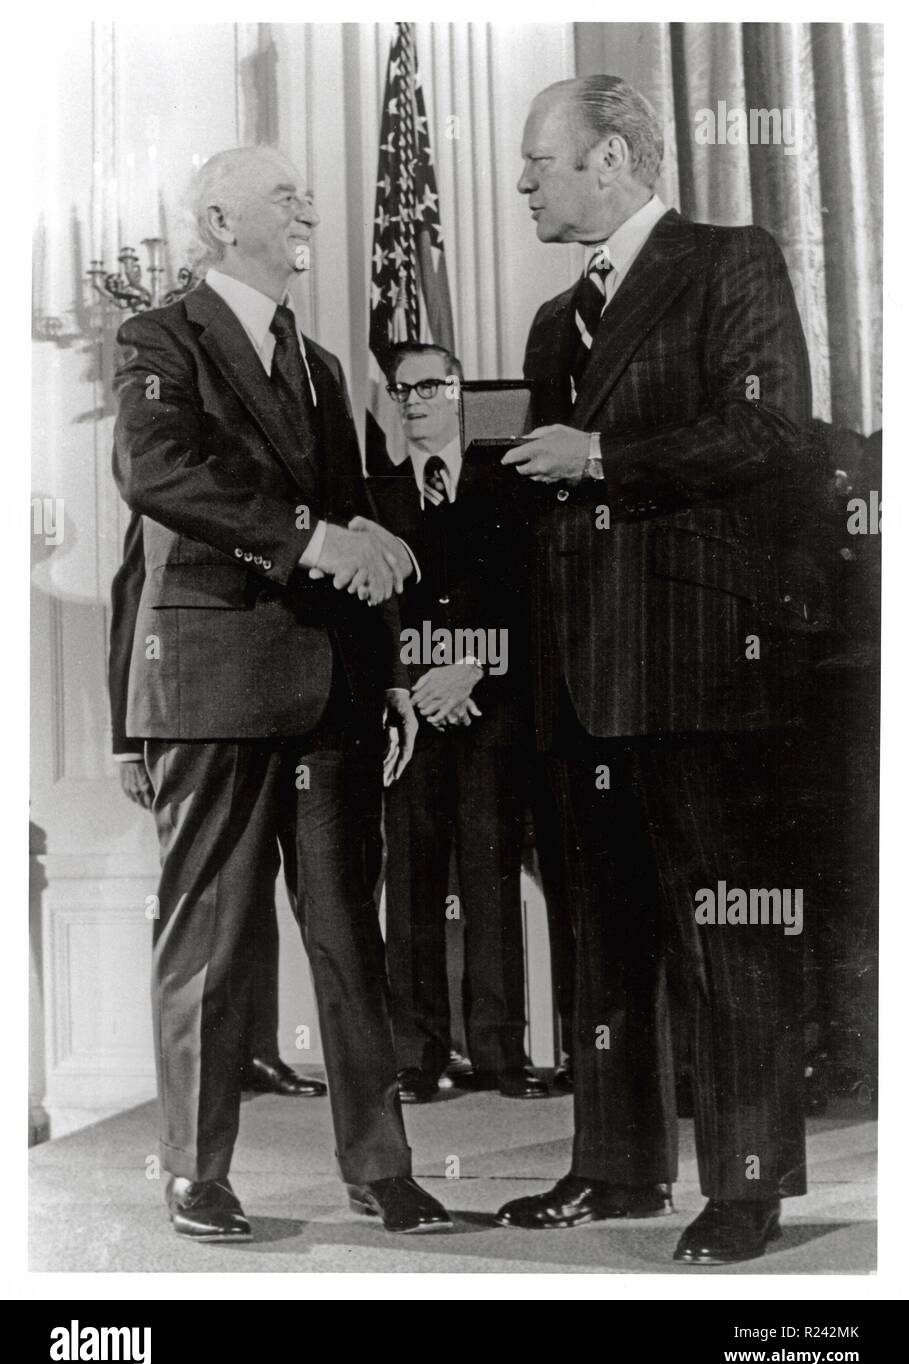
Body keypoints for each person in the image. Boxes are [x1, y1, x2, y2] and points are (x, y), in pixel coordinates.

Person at [493, 76, 812, 1264]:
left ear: (614, 157)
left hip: (689, 659)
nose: (522, 182)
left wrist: (606, 454)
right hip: (580, 673)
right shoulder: (548, 322)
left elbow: (772, 429)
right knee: (604, 934)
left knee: (724, 932)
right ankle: (617, 1166)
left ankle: (746, 1185)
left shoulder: (730, 260)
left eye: (538, 161)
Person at [112, 144, 452, 1240]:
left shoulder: (318, 365)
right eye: (285, 195)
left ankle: (383, 1169)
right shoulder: (159, 337)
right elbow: (157, 471)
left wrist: (392, 668)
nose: (309, 206)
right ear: (218, 220)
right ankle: (194, 1175)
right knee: (211, 939)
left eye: (307, 193)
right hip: (213, 682)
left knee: (354, 934)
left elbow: (360, 524)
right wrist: (309, 538)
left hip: (331, 689)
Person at [368, 343, 547, 1103]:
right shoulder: (370, 494)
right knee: (410, 888)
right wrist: (406, 683)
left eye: (429, 387)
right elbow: (360, 606)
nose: (412, 401)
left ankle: (502, 1056)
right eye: (400, 390)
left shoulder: (506, 485)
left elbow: (532, 591)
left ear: (459, 395)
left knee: (488, 881)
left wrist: (473, 666)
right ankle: (417, 1057)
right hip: (406, 718)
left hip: (487, 708)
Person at [108, 509, 327, 1099]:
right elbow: (134, 599)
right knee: (204, 910)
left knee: (257, 899)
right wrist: (126, 747)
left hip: (278, 703)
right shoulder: (165, 492)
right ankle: (208, 1071)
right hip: (194, 714)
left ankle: (258, 1052)